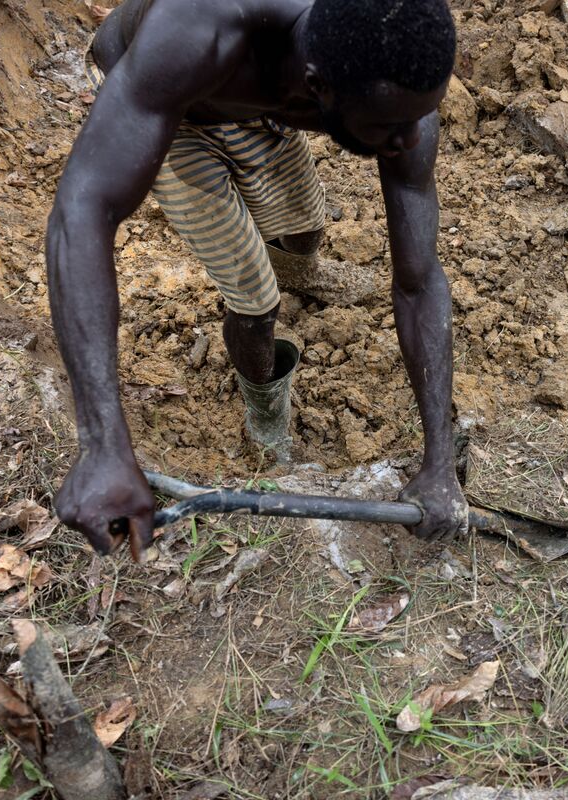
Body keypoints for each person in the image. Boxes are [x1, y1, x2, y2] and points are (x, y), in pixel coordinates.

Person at [45, 0, 467, 560]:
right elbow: (83, 208)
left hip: (257, 103)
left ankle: (295, 269)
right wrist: (102, 445)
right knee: (255, 298)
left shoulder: (391, 85)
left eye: (421, 116)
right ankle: (265, 413)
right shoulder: (198, 30)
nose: (411, 141)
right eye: (392, 127)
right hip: (174, 107)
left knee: (306, 222)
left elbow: (418, 280)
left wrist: (439, 464)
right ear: (318, 87)